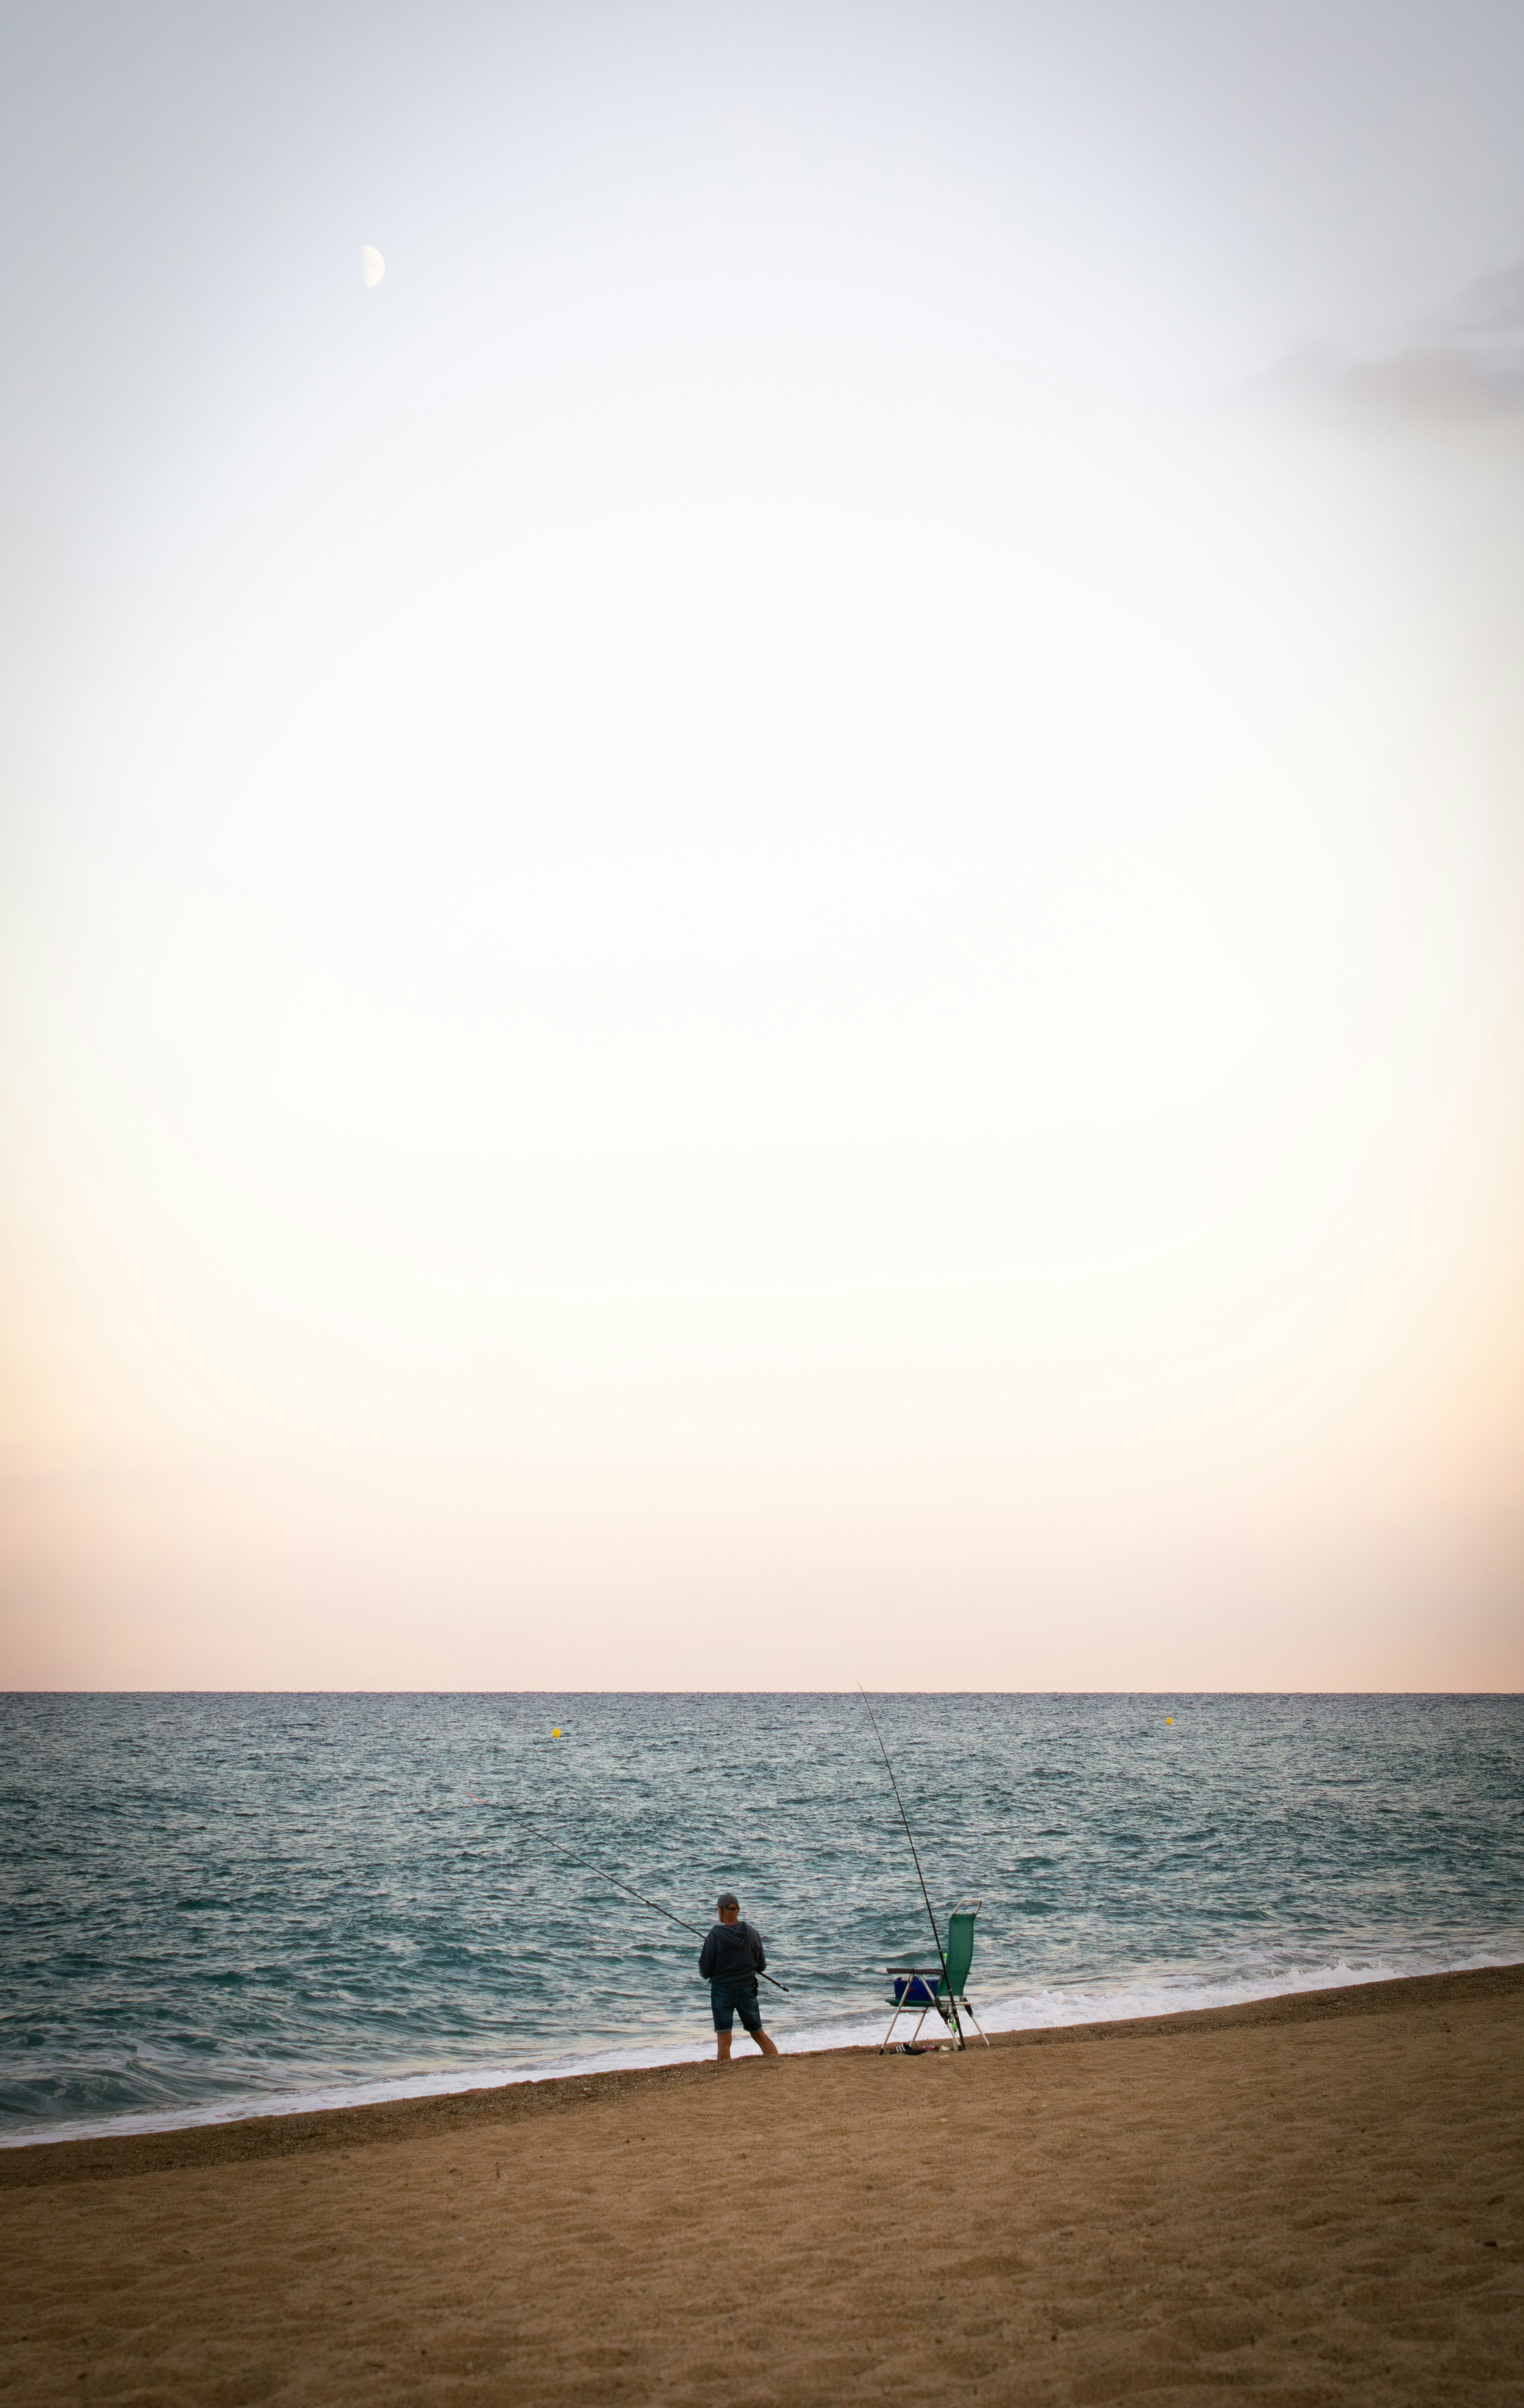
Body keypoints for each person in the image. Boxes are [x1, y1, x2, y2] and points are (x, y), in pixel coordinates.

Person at [698, 1891, 780, 2062]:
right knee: (758, 2033)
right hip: (747, 1989)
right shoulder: (752, 1933)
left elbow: (705, 1971)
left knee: (724, 2039)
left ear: (720, 1911)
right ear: (738, 1910)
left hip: (721, 1991)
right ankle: (777, 2065)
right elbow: (762, 1966)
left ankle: (725, 2074)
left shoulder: (714, 1935)